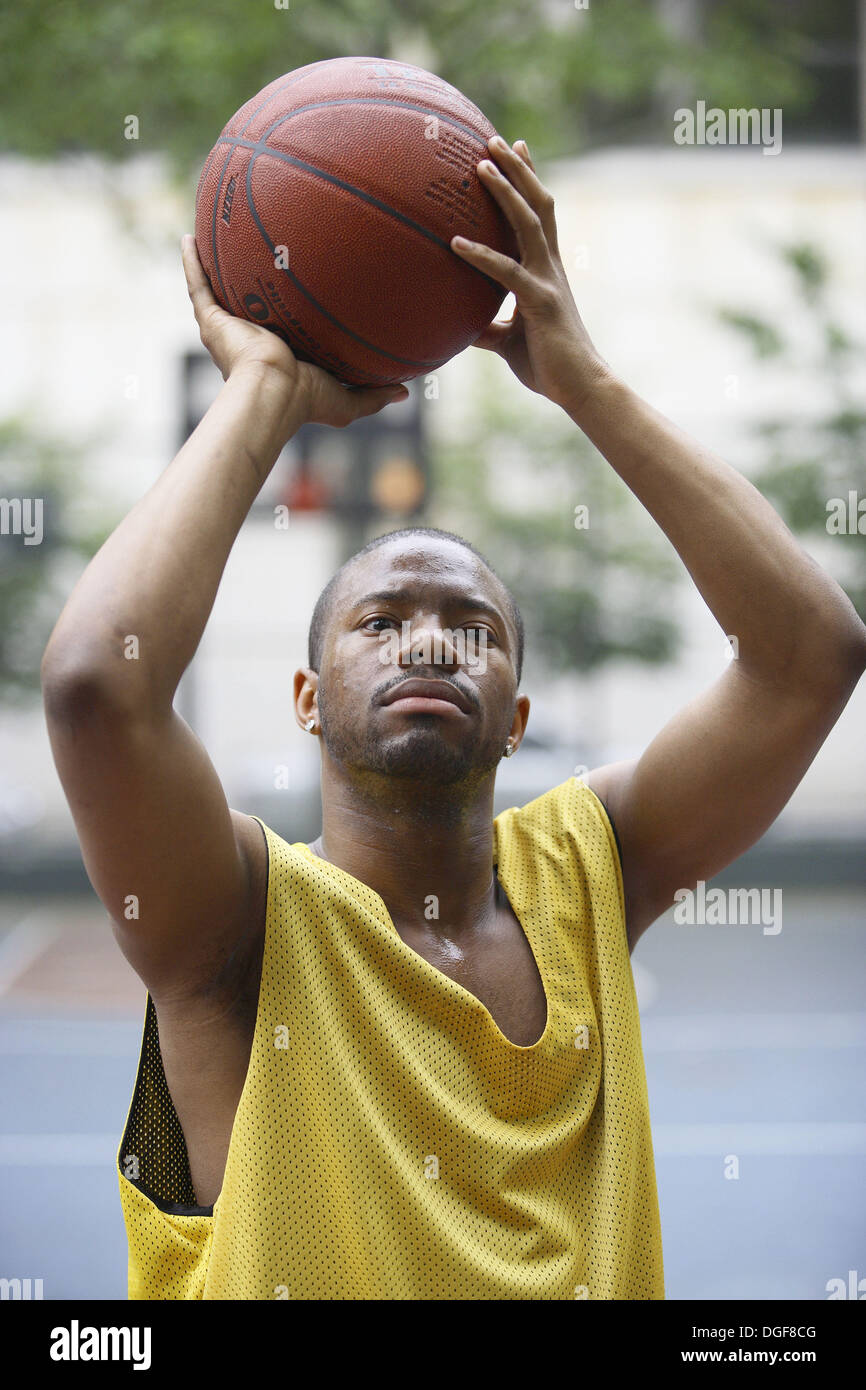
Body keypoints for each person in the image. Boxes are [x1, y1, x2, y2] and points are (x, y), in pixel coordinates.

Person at [41, 138, 866, 1301]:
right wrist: (260, 396)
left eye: (469, 626)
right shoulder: (236, 924)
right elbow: (96, 686)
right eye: (379, 620)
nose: (429, 638)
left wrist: (585, 380)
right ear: (308, 702)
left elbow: (808, 656)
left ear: (517, 714)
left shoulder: (589, 870)